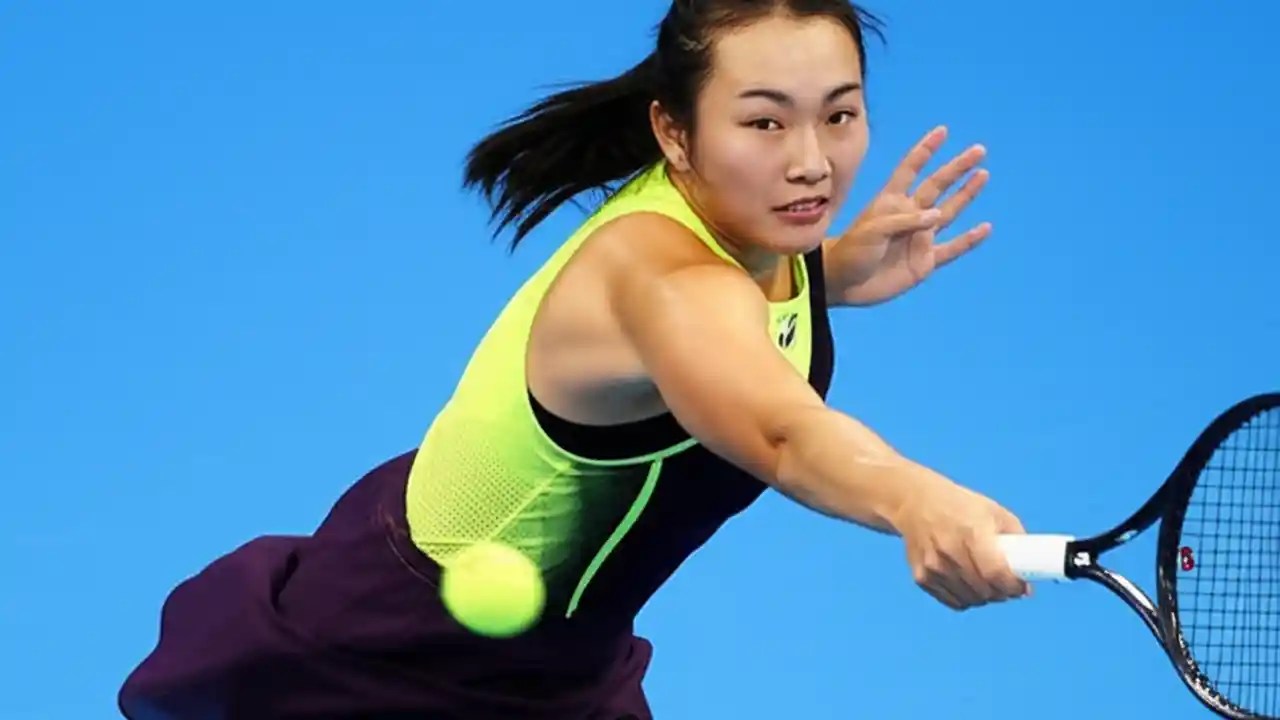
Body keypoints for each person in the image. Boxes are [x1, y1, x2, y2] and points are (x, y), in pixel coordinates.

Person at [118, 1, 1030, 718]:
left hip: (558, 660)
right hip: (401, 651)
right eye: (764, 124)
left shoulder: (761, 240)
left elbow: (724, 349)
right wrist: (914, 497)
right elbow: (781, 432)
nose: (813, 163)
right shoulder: (665, 278)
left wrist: (831, 272)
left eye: (840, 115)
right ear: (676, 133)